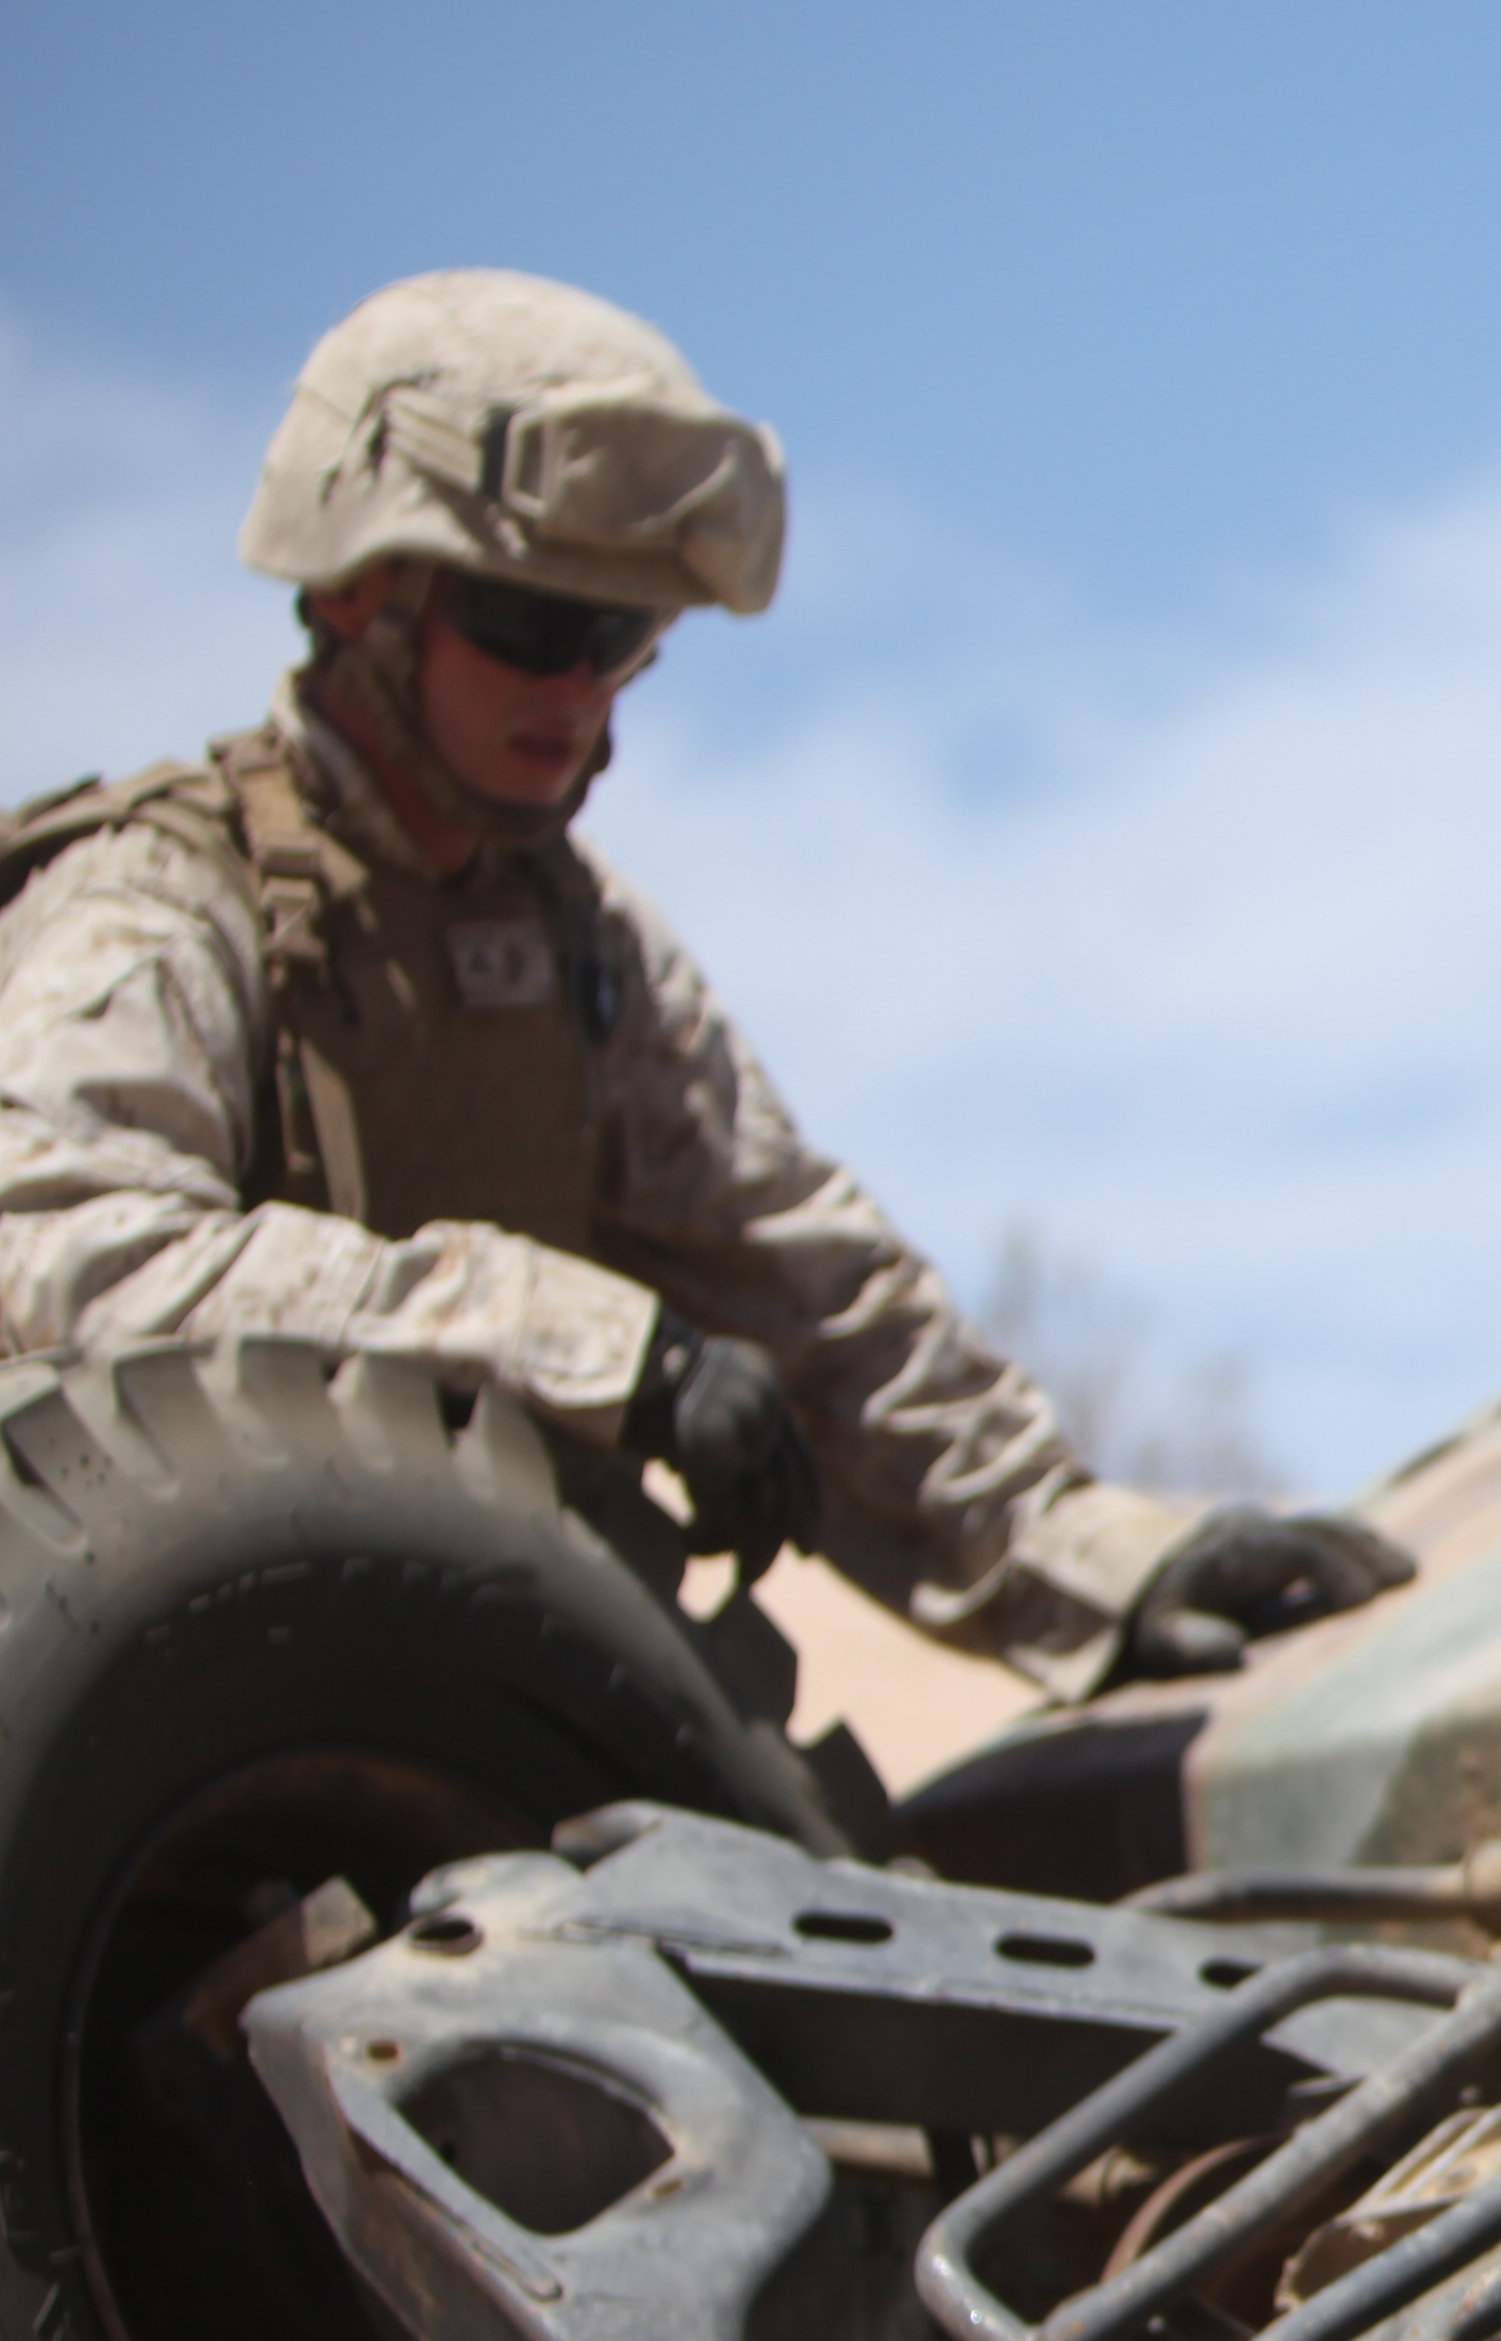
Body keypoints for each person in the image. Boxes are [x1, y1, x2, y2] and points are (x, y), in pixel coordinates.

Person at [0, 268, 1405, 1696]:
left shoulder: (581, 948)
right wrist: (591, 1347)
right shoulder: (164, 902)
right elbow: (66, 1255)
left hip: (433, 1706)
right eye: (530, 628)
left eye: (621, 637)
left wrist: (1087, 1553)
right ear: (361, 591)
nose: (580, 691)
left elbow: (803, 1289)